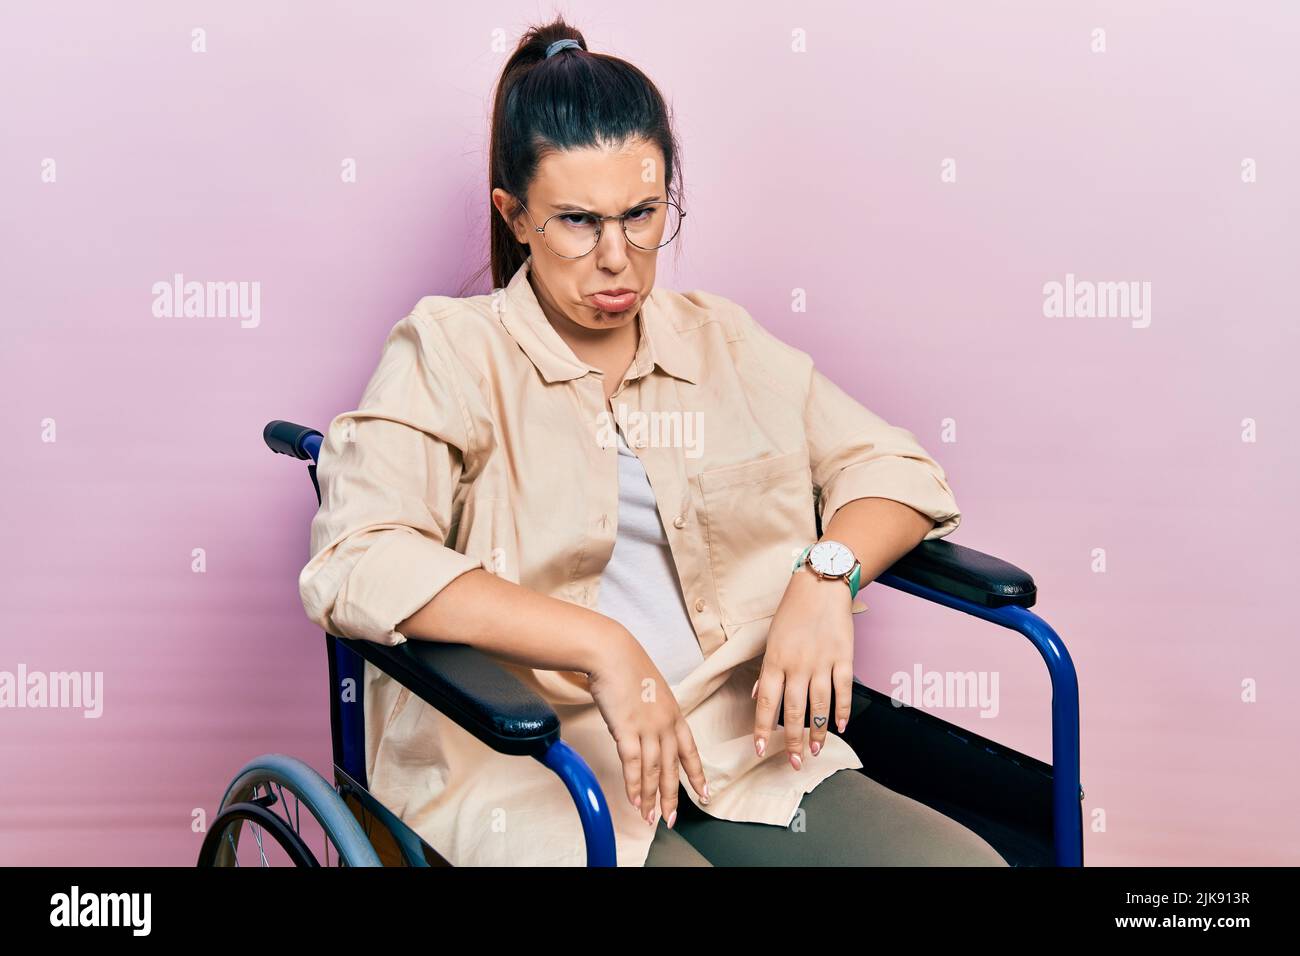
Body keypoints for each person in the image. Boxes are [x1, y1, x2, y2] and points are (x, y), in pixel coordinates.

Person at [298, 16, 1008, 868]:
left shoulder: (720, 342)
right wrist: (601, 647)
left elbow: (892, 466)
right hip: (535, 767)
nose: (619, 259)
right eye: (577, 222)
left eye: (642, 214)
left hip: (736, 746)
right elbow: (359, 556)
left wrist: (826, 577)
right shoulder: (449, 352)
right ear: (514, 216)